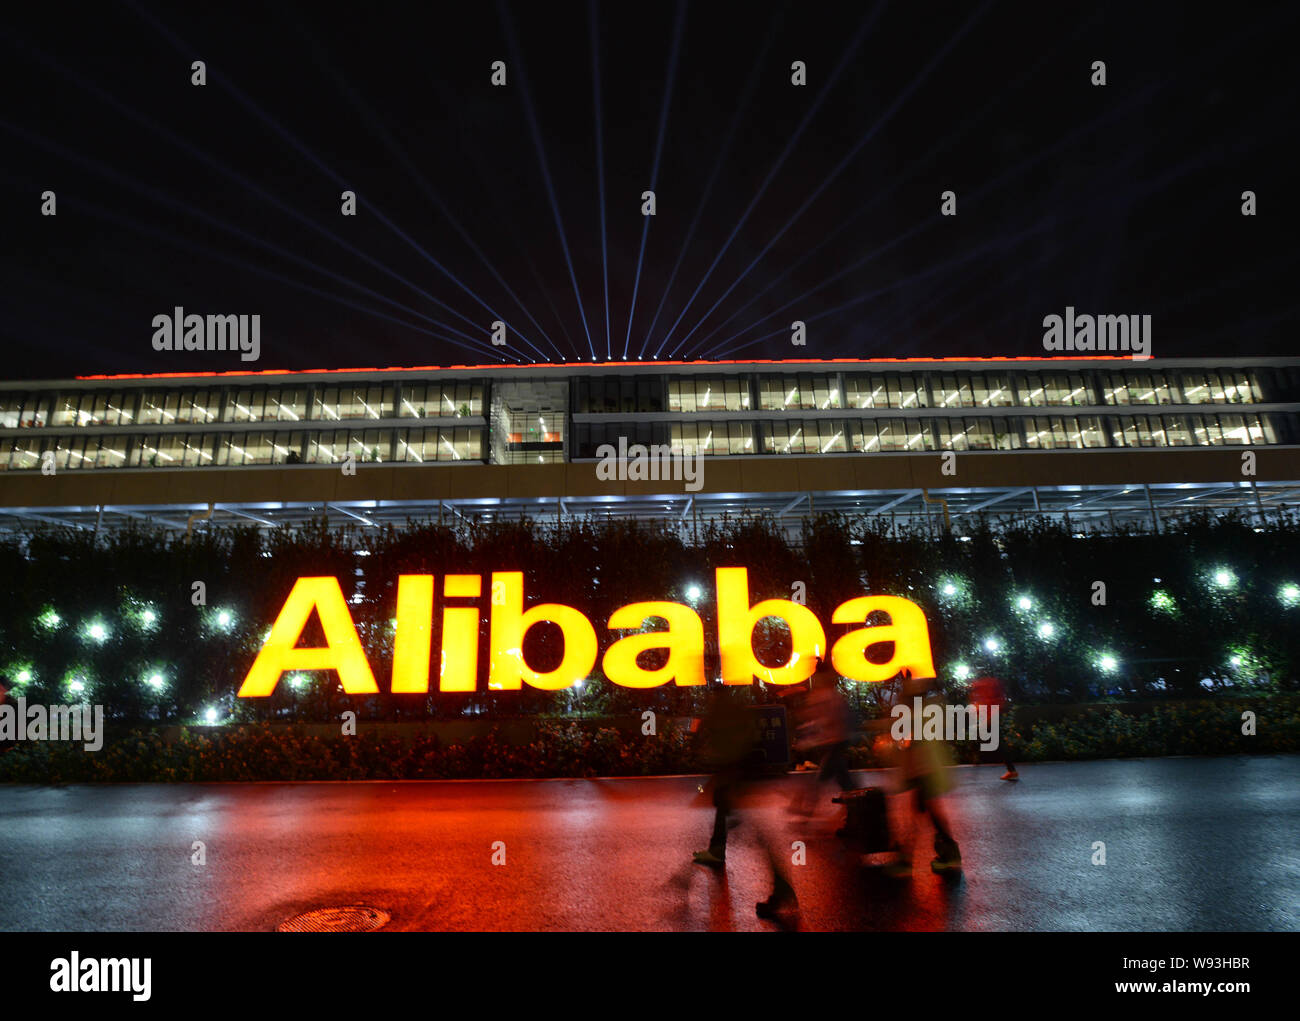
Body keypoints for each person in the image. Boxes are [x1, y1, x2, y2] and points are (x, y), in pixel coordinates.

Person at [690, 685, 797, 920]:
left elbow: (715, 745)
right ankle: (718, 851)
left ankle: (781, 889)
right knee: (742, 823)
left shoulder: (717, 711)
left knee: (756, 833)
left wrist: (714, 768)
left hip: (733, 774)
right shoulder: (735, 708)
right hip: (743, 773)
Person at [887, 669, 962, 876]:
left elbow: (912, 742)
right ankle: (943, 856)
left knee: (925, 813)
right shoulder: (930, 706)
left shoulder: (918, 710)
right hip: (926, 769)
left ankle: (908, 861)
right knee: (926, 813)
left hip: (922, 770)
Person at [790, 657, 856, 814]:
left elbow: (820, 719)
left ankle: (804, 808)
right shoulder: (831, 695)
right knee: (842, 779)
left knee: (822, 778)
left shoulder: (823, 696)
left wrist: (807, 739)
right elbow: (826, 719)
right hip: (836, 740)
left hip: (832, 742)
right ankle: (857, 808)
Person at [969, 675, 1018, 780]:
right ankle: (1011, 770)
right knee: (994, 740)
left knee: (995, 741)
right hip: (991, 714)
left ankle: (1011, 770)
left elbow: (989, 701)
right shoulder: (989, 684)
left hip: (991, 715)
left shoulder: (986, 685)